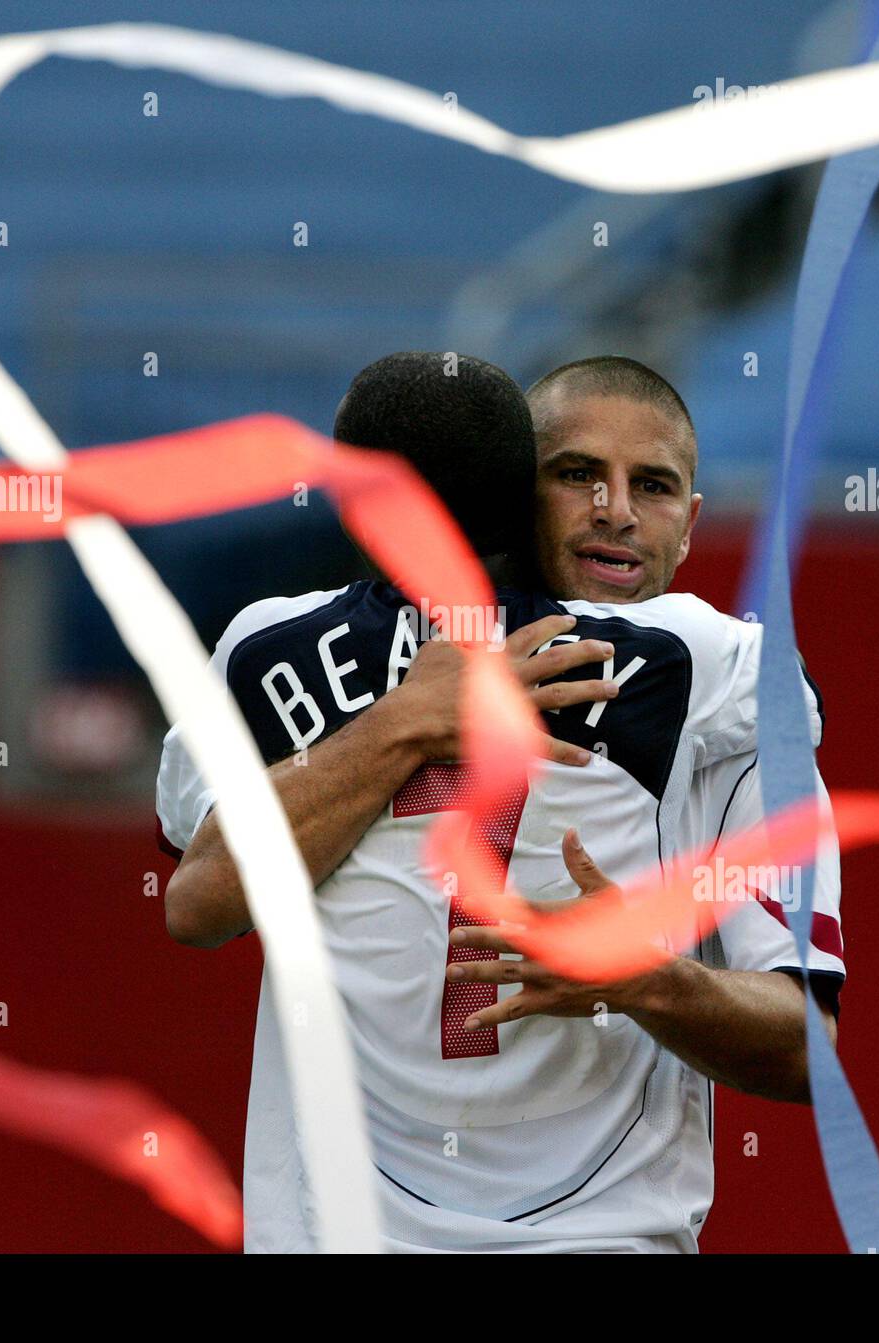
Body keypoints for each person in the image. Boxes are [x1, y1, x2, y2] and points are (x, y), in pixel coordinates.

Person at [156, 353, 840, 1252]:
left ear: (691, 522)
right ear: (512, 494)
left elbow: (807, 1050)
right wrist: (408, 720)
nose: (615, 510)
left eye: (654, 485)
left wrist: (642, 976)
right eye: (576, 475)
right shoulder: (708, 665)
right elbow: (200, 905)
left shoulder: (270, 647)